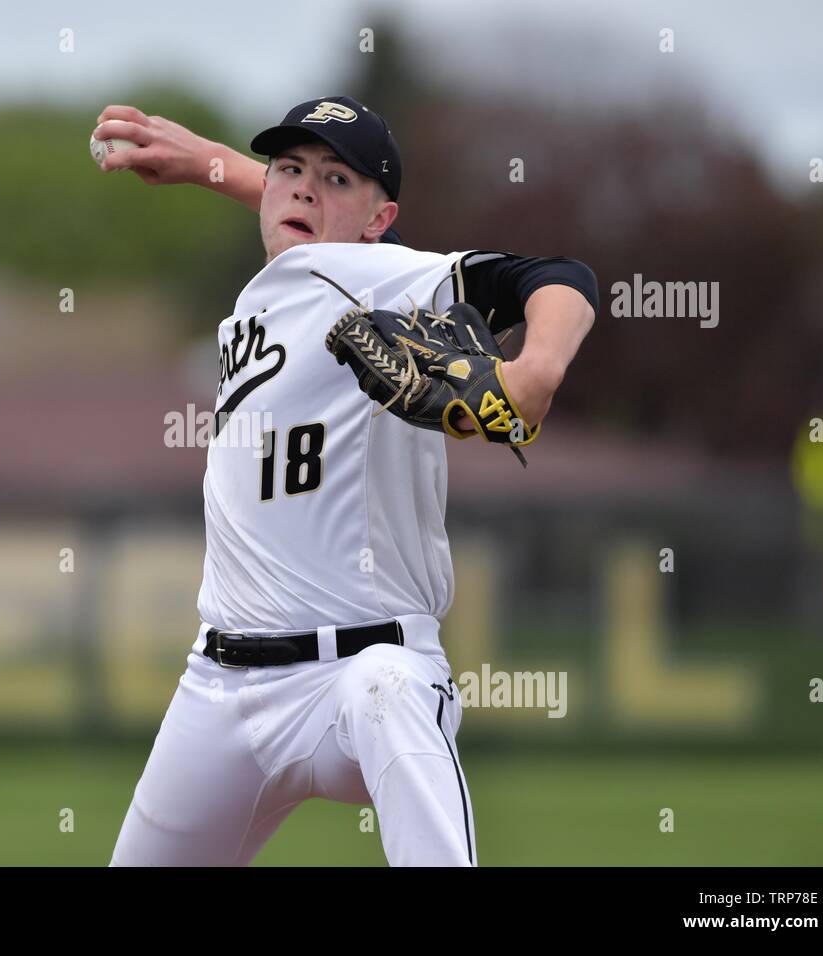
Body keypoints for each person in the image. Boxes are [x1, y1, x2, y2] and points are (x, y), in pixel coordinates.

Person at [97, 96, 597, 866]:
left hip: (356, 675)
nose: (302, 188)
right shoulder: (272, 290)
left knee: (388, 690)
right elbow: (300, 212)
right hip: (221, 685)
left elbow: (558, 275)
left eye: (335, 177)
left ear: (381, 219)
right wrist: (207, 164)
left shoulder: (379, 278)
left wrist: (537, 369)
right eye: (289, 169)